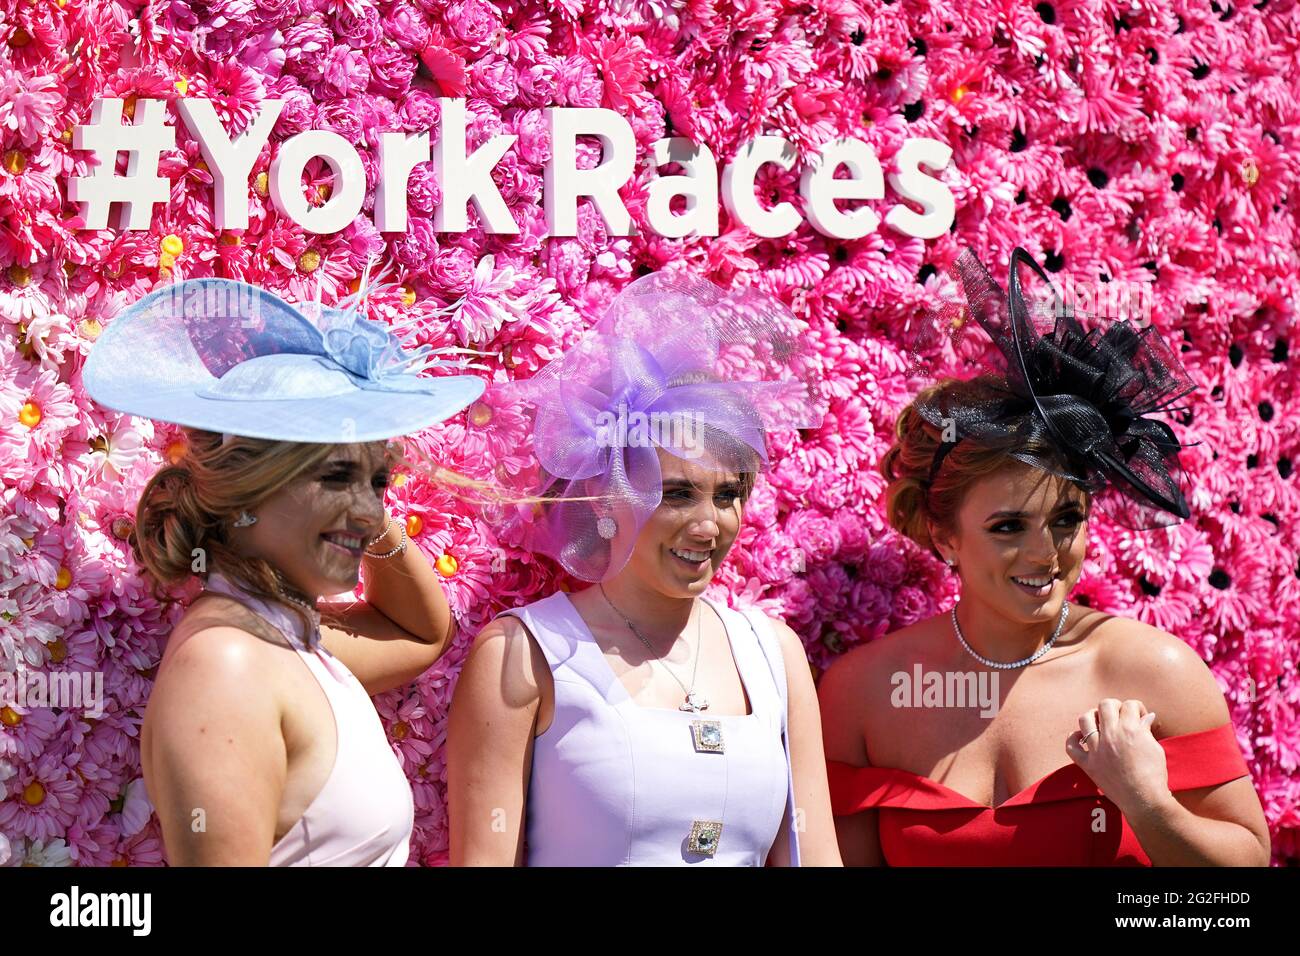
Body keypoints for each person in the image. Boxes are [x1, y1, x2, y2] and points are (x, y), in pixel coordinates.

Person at [819, 247, 1270, 866]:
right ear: (943, 535)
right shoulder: (863, 693)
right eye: (1008, 526)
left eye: (1066, 519)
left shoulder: (1154, 672)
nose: (1045, 553)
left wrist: (1146, 801)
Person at [82, 266, 485, 865]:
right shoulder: (228, 664)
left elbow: (421, 633)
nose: (372, 510)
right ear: (247, 491)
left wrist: (356, 508)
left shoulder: (278, 636)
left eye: (380, 482)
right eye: (334, 476)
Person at [447, 271, 842, 865]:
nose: (710, 525)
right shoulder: (521, 655)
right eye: (676, 494)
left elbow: (813, 858)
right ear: (607, 498)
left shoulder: (774, 654)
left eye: (729, 495)